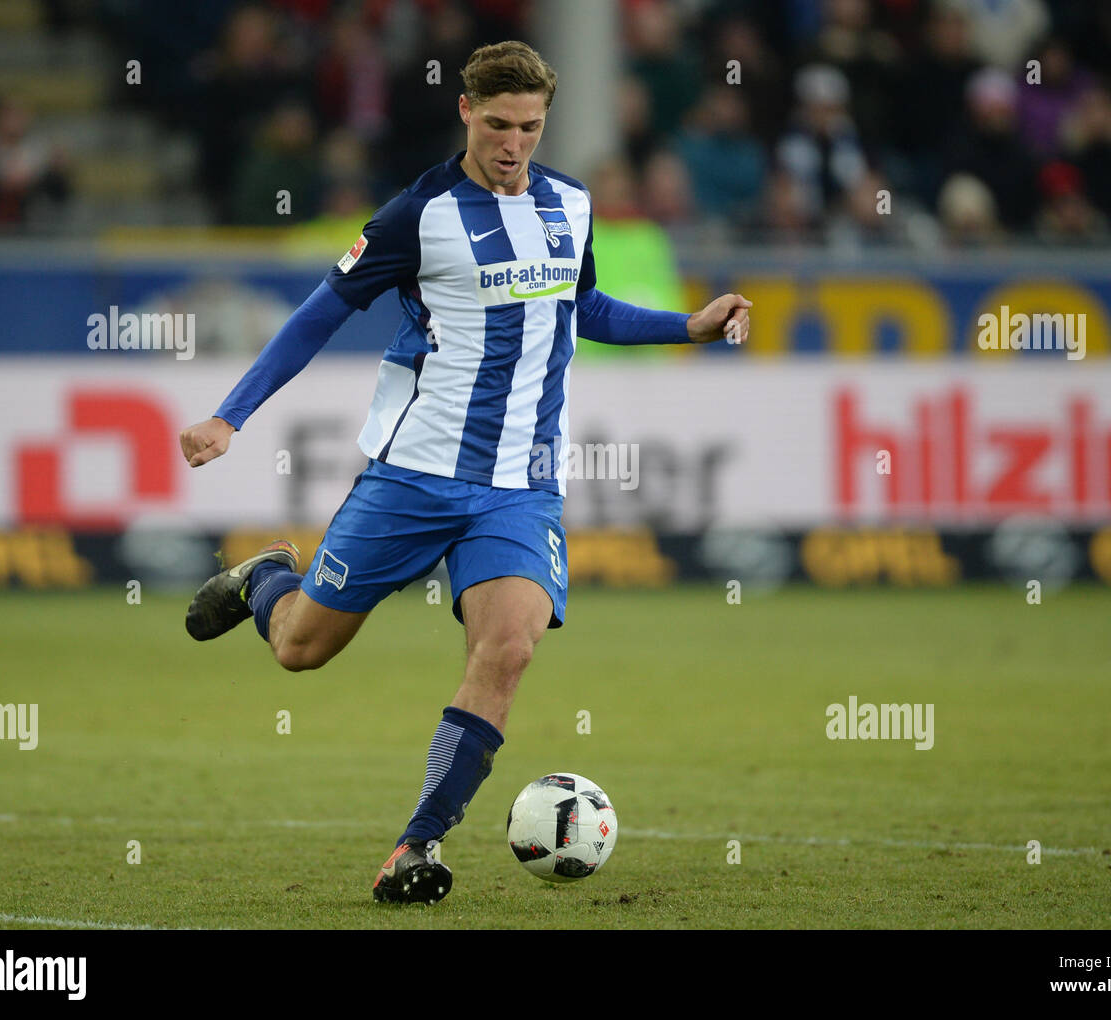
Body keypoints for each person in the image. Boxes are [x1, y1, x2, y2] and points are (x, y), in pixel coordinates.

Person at [177, 40, 751, 906]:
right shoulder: (419, 214)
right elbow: (318, 315)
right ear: (465, 115)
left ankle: (416, 846)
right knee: (300, 648)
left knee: (509, 647)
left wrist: (689, 327)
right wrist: (232, 414)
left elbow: (582, 304)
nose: (514, 144)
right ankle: (267, 577)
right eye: (497, 125)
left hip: (519, 485)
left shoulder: (572, 206)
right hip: (411, 475)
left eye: (530, 127)